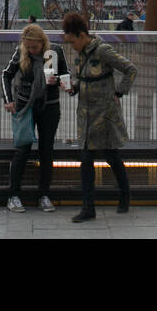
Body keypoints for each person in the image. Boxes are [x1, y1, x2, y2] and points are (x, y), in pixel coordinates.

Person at [61, 11, 136, 222]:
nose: (71, 46)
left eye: (72, 41)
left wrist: (119, 92)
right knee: (86, 159)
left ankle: (124, 195)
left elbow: (130, 69)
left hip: (105, 115)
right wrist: (73, 88)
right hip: (85, 116)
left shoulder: (103, 50)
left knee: (111, 155)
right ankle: (88, 207)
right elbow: (83, 78)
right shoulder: (81, 53)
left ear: (81, 34)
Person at [1, 23, 69, 213]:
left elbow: (66, 74)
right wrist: (9, 100)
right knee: (22, 149)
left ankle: (44, 195)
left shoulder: (54, 52)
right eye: (28, 47)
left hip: (50, 106)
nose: (31, 51)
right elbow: (6, 75)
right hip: (26, 106)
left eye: (35, 48)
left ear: (43, 43)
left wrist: (62, 82)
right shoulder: (21, 52)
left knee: (46, 150)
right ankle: (13, 195)